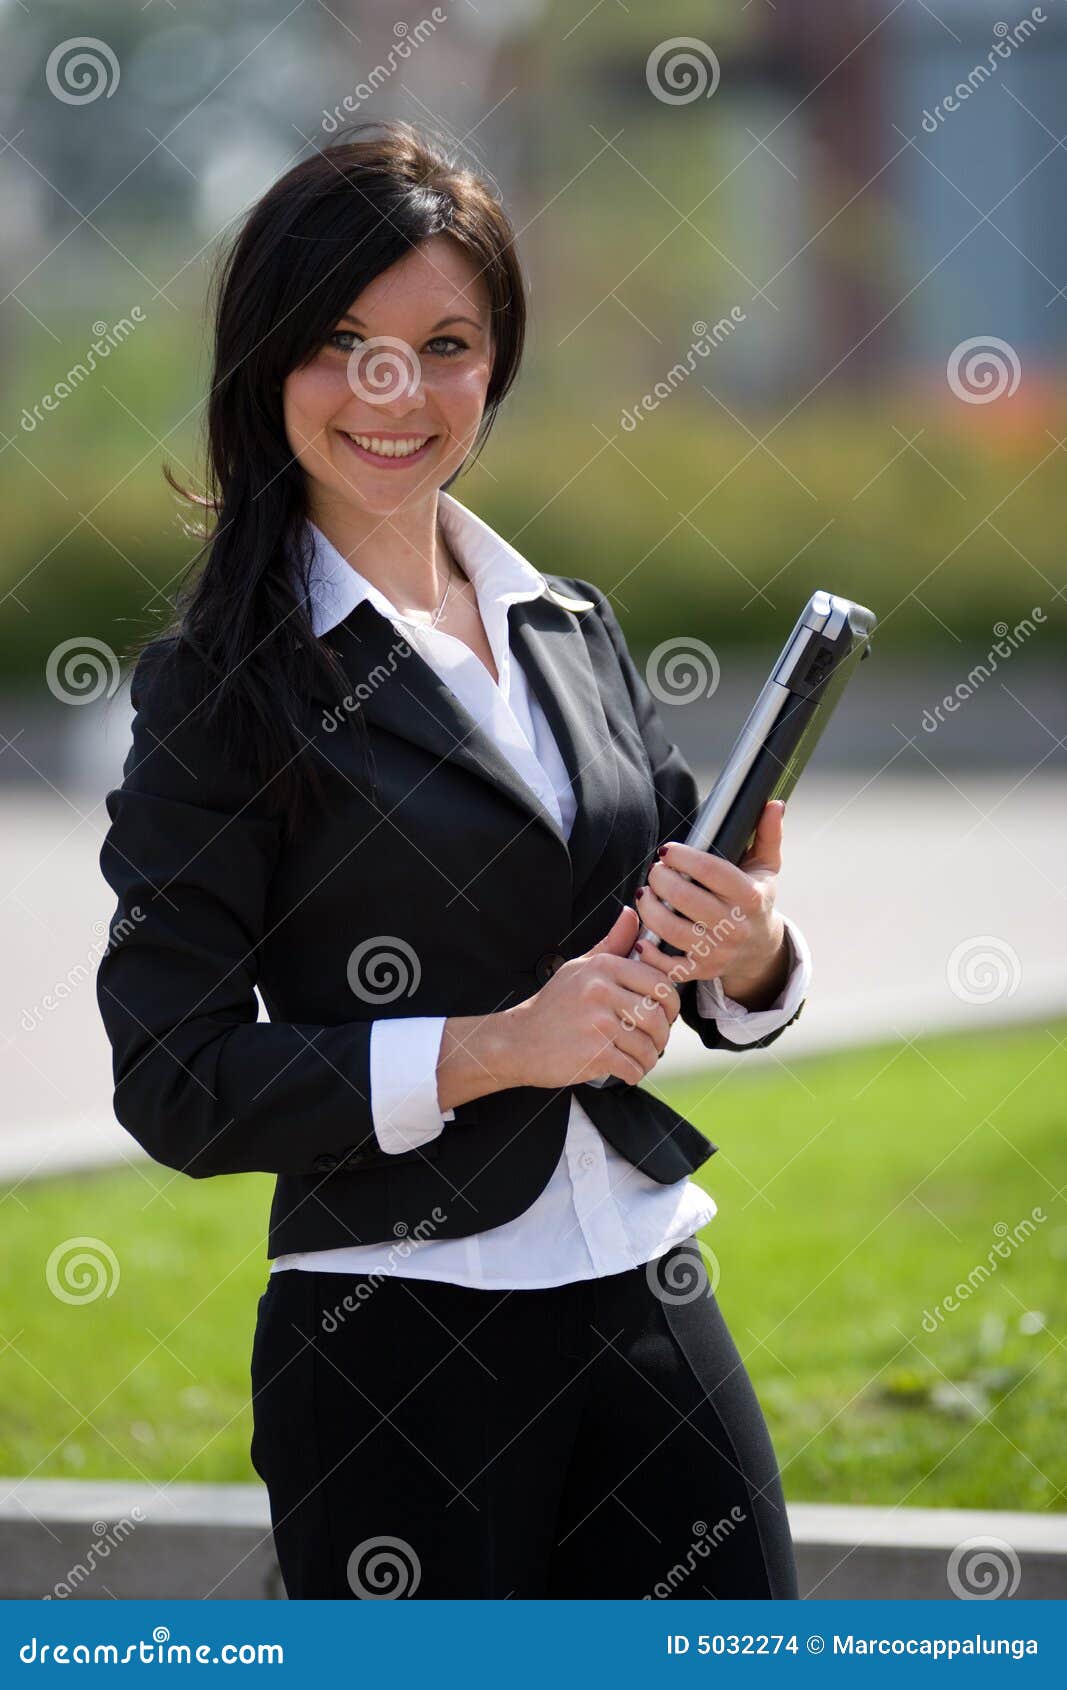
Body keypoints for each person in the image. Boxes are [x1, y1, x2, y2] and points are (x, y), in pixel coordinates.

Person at [96, 120, 811, 1601]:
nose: (391, 390)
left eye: (445, 343)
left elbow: (680, 959)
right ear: (264, 366)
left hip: (648, 1286)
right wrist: (493, 1046)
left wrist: (749, 954)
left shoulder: (569, 626)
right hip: (397, 1346)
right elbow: (174, 1075)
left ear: (496, 366)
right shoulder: (223, 685)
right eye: (341, 340)